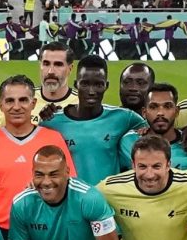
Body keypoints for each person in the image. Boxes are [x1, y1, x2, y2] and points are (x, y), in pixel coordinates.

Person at [0, 75, 71, 227]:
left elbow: (67, 186)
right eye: (9, 101)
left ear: (33, 103)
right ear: (1, 105)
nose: (16, 107)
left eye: (23, 100)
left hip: (46, 229)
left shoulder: (53, 138)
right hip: (0, 231)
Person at [46, 55, 142, 183]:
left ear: (106, 86)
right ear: (76, 84)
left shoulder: (125, 118)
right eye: (85, 84)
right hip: (71, 200)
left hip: (108, 200)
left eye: (98, 84)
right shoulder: (52, 122)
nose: (91, 91)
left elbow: (153, 131)